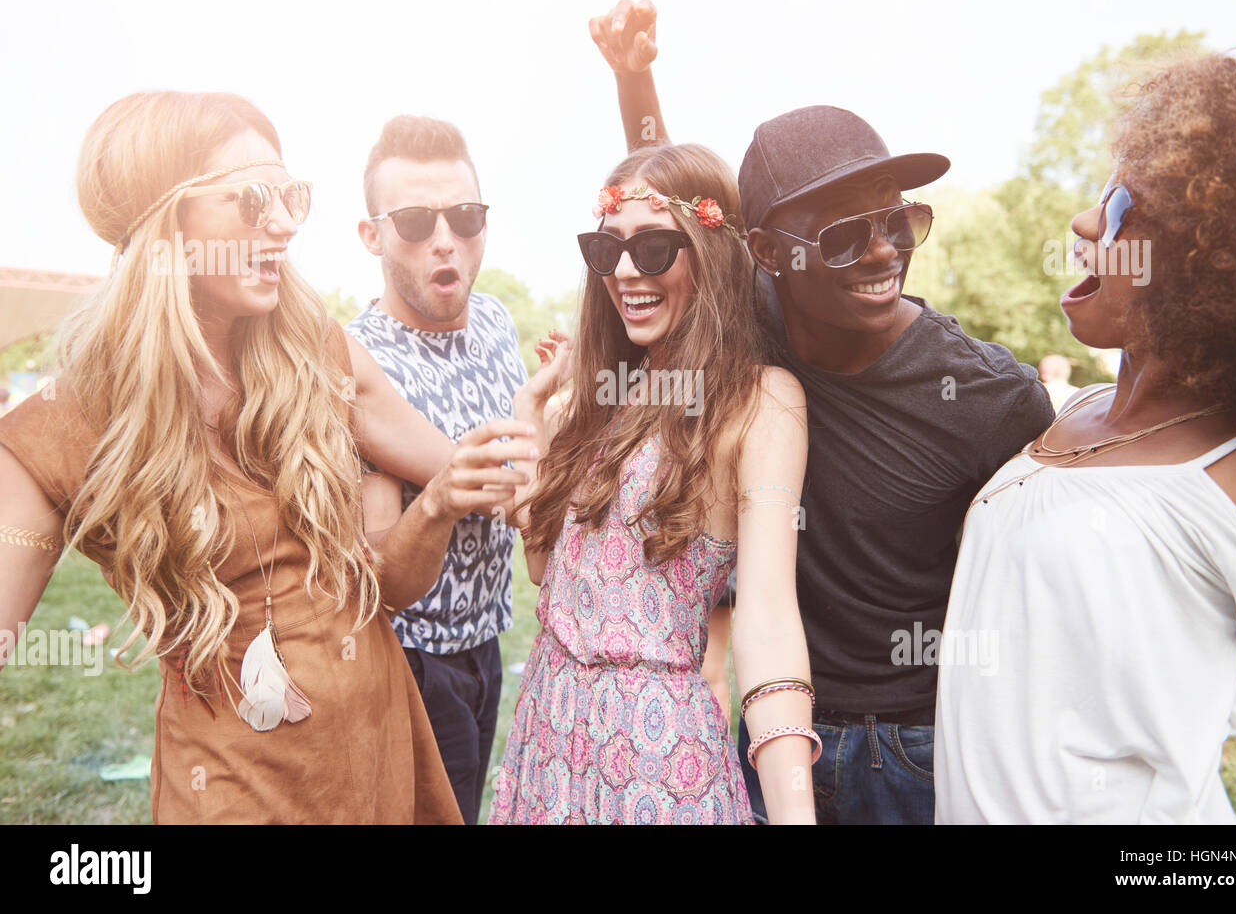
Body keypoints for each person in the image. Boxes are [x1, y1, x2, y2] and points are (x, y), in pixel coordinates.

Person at [0, 90, 540, 823]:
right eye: (253, 199)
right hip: (235, 788)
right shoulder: (58, 429)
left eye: (290, 196)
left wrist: (498, 473)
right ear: (167, 219)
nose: (285, 224)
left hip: (384, 748)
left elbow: (457, 473)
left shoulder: (315, 351)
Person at [590, 0, 1054, 824]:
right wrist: (635, 79)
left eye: (898, 219)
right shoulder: (752, 319)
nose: (881, 250)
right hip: (779, 730)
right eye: (843, 233)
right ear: (767, 253)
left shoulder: (991, 398)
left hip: (924, 748)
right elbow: (671, 213)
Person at [935, 51, 1236, 823]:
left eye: (1125, 202)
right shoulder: (1071, 411)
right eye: (1107, 190)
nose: (1086, 220)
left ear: (1211, 259)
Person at [490, 142, 817, 824]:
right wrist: (534, 416)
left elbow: (767, 616)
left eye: (656, 249)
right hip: (546, 731)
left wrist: (793, 813)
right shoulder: (598, 397)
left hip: (657, 753)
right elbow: (549, 572)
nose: (627, 273)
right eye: (608, 251)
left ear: (712, 249)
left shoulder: (760, 403)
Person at [348, 115, 529, 824]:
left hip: (486, 646)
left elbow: (525, 460)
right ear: (372, 236)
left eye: (465, 215)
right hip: (408, 661)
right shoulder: (358, 362)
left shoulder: (495, 322)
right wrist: (447, 498)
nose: (445, 238)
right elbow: (380, 567)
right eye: (416, 221)